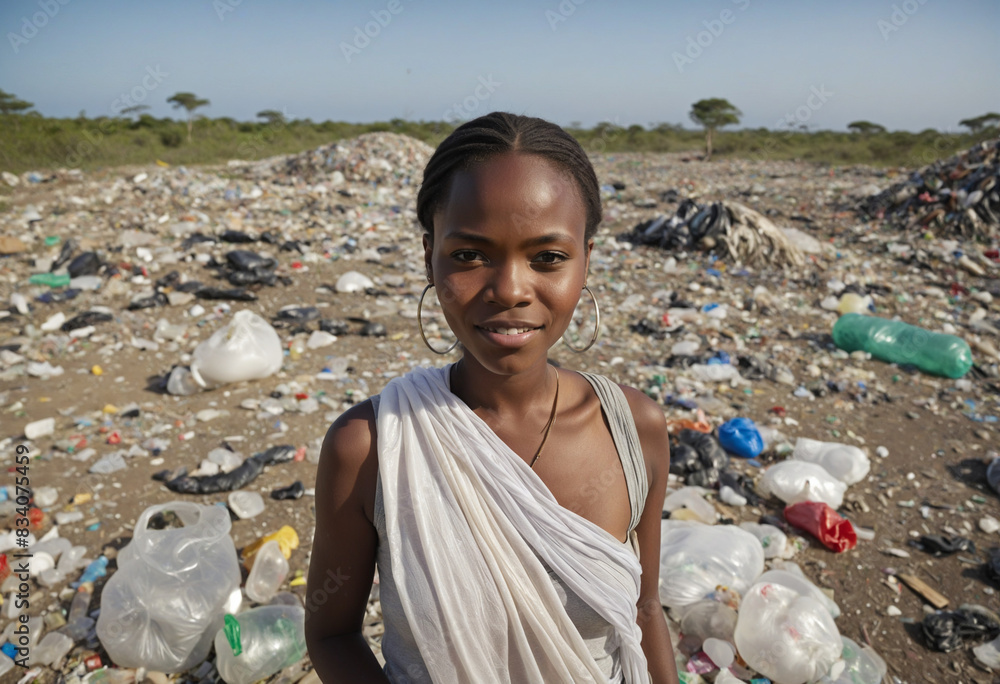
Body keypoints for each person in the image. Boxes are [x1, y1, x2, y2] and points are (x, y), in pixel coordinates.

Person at [305, 111, 679, 684]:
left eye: (548, 258)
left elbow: (645, 609)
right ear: (429, 254)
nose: (509, 289)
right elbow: (332, 634)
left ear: (587, 261)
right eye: (469, 255)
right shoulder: (372, 447)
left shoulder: (634, 428)